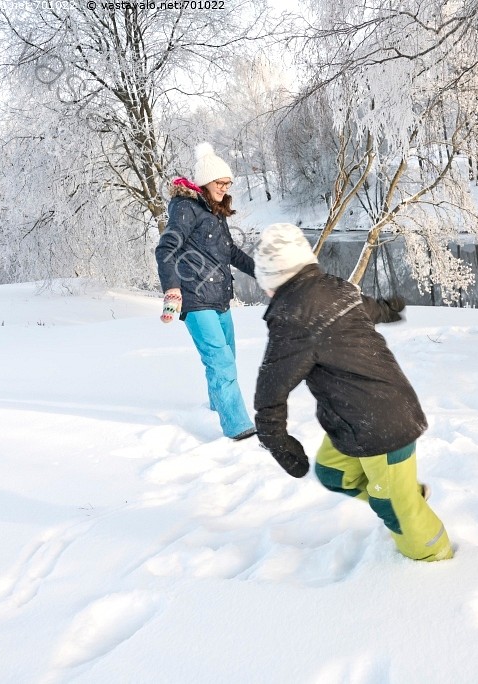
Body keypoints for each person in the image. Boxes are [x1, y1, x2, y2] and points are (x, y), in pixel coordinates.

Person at [252, 223, 453, 562]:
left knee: (398, 512)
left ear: (277, 278)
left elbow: (271, 388)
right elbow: (369, 308)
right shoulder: (335, 289)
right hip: (355, 419)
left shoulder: (294, 317)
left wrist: (275, 439)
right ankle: (402, 494)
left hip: (383, 424)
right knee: (334, 474)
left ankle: (434, 559)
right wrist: (388, 309)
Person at [155, 143, 257, 441]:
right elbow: (166, 249)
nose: (225, 188)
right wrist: (172, 289)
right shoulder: (186, 209)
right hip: (196, 300)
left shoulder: (214, 211)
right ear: (204, 182)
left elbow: (230, 253)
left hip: (219, 298)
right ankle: (238, 427)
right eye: (220, 183)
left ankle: (218, 407)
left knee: (227, 357)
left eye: (227, 183)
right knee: (220, 361)